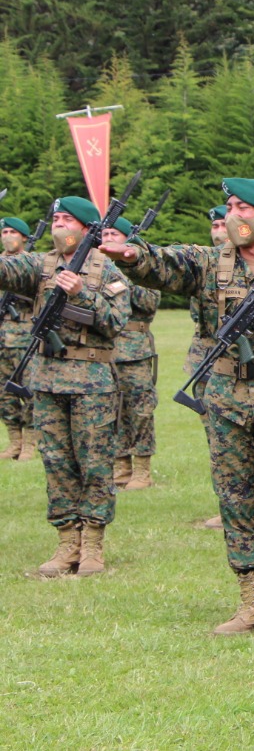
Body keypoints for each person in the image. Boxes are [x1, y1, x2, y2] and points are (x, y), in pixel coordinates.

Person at [102, 178, 254, 640]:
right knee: (235, 498)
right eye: (229, 206)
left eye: (242, 208)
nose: (232, 216)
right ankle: (251, 600)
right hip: (225, 396)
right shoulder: (209, 262)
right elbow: (164, 265)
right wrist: (131, 256)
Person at [0, 196, 130, 577]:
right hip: (47, 379)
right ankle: (66, 541)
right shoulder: (39, 265)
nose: (57, 224)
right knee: (56, 462)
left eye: (66, 219)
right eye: (55, 218)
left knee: (93, 462)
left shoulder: (107, 270)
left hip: (91, 381)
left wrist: (80, 293)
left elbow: (115, 320)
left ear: (86, 228)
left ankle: (92, 543)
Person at [100, 217, 160, 491]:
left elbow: (148, 302)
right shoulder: (98, 267)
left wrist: (124, 273)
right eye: (105, 233)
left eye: (114, 233)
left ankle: (142, 469)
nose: (108, 237)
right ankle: (120, 464)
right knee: (113, 408)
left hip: (134, 348)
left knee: (140, 409)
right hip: (105, 348)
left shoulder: (140, 268)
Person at [191, 205, 228, 530]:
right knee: (214, 437)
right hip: (205, 355)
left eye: (222, 223)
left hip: (233, 360)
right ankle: (227, 504)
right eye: (215, 223)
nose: (218, 228)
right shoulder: (205, 264)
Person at [0, 216, 39, 461]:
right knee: (4, 393)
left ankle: (31, 443)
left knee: (30, 391)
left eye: (13, 232)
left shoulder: (32, 264)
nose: (8, 236)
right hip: (3, 341)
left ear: (24, 237)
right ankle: (14, 441)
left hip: (26, 340)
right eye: (4, 231)